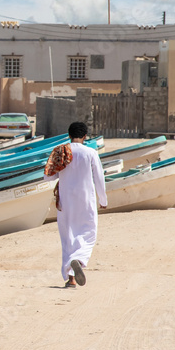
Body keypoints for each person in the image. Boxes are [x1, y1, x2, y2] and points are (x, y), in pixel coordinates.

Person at [43, 121, 107, 288]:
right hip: (86, 200)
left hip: (66, 201)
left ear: (69, 135)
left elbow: (48, 176)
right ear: (85, 136)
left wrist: (63, 172)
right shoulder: (91, 152)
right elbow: (99, 178)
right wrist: (103, 200)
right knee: (89, 233)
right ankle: (78, 259)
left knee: (68, 237)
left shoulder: (61, 151)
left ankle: (70, 279)